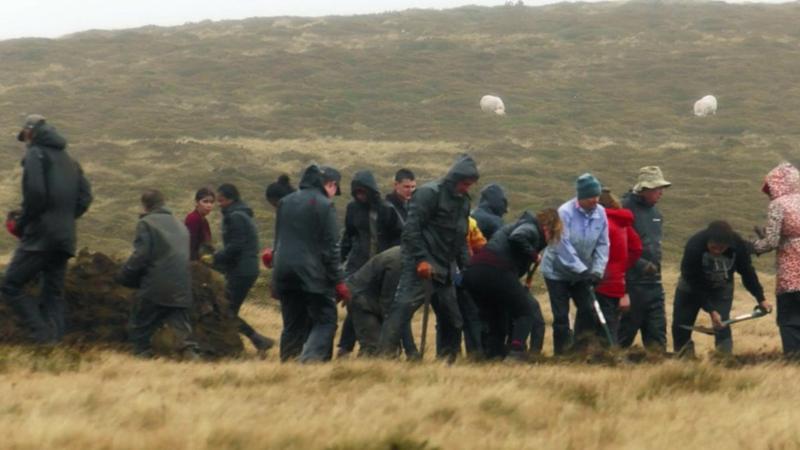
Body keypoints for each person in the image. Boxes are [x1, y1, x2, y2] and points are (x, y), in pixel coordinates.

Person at [379, 154, 480, 362]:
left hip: (445, 268)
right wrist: (421, 260)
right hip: (420, 266)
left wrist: (467, 268)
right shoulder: (429, 194)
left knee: (453, 320)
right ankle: (382, 359)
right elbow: (411, 230)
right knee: (402, 310)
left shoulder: (463, 202)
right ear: (455, 178)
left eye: (470, 185)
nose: (466, 188)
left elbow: (460, 237)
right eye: (464, 183)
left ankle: (447, 362)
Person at [1, 115, 92, 344]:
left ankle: (40, 333)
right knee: (53, 293)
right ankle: (55, 344)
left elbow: (36, 195)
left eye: (25, 137)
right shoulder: (71, 161)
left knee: (10, 284)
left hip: (40, 236)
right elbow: (85, 198)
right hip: (65, 238)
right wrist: (64, 219)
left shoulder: (35, 154)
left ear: (31, 132)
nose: (25, 142)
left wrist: (22, 223)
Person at [272, 165, 351, 363]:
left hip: (284, 272)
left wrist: (275, 276)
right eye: (335, 189)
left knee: (292, 324)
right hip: (312, 274)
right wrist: (339, 282)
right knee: (325, 320)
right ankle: (309, 361)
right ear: (330, 185)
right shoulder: (324, 205)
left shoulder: (285, 202)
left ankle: (287, 367)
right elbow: (331, 249)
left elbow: (278, 240)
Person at [463, 209, 562, 360]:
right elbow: (518, 237)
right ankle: (516, 352)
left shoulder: (519, 225)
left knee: (497, 317)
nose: (549, 240)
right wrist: (534, 255)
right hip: (496, 270)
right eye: (552, 236)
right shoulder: (532, 228)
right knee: (526, 311)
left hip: (474, 272)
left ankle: (493, 356)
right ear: (548, 228)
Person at [116, 190, 199, 359]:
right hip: (182, 288)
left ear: (145, 205)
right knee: (182, 335)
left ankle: (142, 359)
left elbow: (141, 256)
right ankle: (192, 360)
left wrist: (124, 276)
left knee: (140, 328)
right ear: (163, 203)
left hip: (156, 287)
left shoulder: (147, 223)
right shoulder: (180, 225)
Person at [673, 221, 769, 356]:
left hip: (722, 288)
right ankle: (684, 360)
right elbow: (692, 280)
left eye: (721, 248)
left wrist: (761, 298)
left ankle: (724, 360)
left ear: (729, 245)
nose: (717, 251)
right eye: (713, 247)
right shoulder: (694, 246)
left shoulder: (737, 245)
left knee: (722, 324)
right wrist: (710, 309)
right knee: (682, 324)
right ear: (707, 241)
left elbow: (747, 272)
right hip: (691, 288)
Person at [201, 184, 274, 356]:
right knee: (228, 310)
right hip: (246, 269)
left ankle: (255, 341)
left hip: (241, 271)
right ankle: (256, 341)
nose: (219, 204)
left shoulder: (235, 217)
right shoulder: (241, 214)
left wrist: (214, 259)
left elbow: (235, 247)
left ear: (230, 199)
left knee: (225, 310)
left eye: (221, 201)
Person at [541, 173, 609, 355]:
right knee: (561, 316)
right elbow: (562, 246)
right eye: (590, 197)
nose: (594, 200)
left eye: (597, 196)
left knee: (587, 310)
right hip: (557, 272)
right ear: (580, 197)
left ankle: (580, 350)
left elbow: (603, 244)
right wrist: (582, 270)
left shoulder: (601, 213)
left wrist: (597, 271)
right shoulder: (564, 212)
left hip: (583, 273)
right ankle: (561, 354)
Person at [337, 170, 402, 357]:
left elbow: (399, 236)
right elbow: (348, 236)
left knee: (378, 306)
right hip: (357, 265)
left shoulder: (386, 209)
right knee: (355, 303)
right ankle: (346, 347)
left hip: (382, 266)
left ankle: (382, 348)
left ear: (370, 190)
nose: (360, 196)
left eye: (363, 192)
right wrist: (341, 260)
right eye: (357, 192)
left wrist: (391, 260)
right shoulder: (352, 209)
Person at [618, 166, 672, 351]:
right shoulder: (624, 209)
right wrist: (640, 265)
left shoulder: (657, 214)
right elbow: (617, 248)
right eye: (657, 188)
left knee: (657, 341)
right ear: (644, 189)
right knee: (621, 340)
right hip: (631, 284)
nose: (661, 193)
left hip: (654, 285)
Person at [752, 162, 799, 357]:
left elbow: (771, 241)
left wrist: (754, 246)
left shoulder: (778, 205)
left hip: (791, 274)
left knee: (790, 320)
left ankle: (794, 361)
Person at [594, 190, 642, 345]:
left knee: (592, 321)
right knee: (611, 323)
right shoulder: (622, 222)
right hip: (616, 281)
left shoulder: (600, 222)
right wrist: (621, 266)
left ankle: (600, 356)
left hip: (600, 280)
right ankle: (610, 353)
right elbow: (637, 248)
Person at [345, 246, 403, 356]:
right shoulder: (397, 262)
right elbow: (388, 304)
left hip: (368, 297)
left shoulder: (400, 254)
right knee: (372, 348)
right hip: (362, 300)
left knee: (386, 349)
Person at [384, 168, 417, 243]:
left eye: (413, 187)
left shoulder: (415, 205)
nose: (410, 190)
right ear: (396, 185)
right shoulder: (387, 208)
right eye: (406, 187)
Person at [184, 187, 215, 261]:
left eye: (211, 202)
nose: (209, 205)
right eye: (205, 201)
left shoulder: (204, 220)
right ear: (197, 202)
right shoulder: (193, 219)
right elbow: (191, 246)